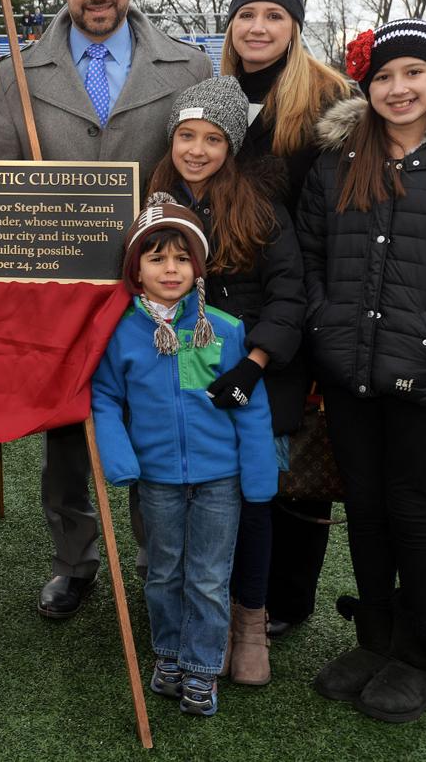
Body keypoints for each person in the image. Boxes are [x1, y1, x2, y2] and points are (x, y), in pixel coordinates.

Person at [0, 0, 212, 619]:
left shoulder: (188, 68)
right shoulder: (14, 72)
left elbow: (206, 179)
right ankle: (73, 558)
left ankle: (156, 560)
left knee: (159, 424)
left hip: (157, 290)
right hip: (62, 296)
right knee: (65, 436)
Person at [297, 18, 426, 722]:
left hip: (424, 375)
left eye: (412, 72)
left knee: (410, 507)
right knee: (366, 506)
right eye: (383, 76)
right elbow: (312, 257)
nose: (397, 87)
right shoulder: (338, 160)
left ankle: (418, 654)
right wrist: (325, 327)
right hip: (350, 368)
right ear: (367, 86)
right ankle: (374, 636)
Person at [146, 75, 305, 685]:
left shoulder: (259, 208)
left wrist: (254, 364)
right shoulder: (154, 200)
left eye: (213, 138)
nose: (197, 149)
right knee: (167, 498)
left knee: (252, 502)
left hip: (247, 378)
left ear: (231, 146)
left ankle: (248, 624)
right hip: (171, 382)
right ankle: (180, 616)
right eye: (186, 135)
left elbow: (289, 295)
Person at [92, 196, 276, 717]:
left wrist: (258, 474)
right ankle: (169, 654)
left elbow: (250, 402)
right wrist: (119, 455)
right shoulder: (121, 332)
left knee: (210, 577)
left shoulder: (222, 327)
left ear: (198, 264)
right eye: (155, 259)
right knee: (164, 571)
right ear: (136, 269)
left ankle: (201, 666)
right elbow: (105, 397)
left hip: (221, 478)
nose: (169, 269)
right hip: (156, 478)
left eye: (180, 257)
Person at [219, 0, 351, 640]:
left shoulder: (331, 99)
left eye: (274, 14)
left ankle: (290, 597)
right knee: (247, 456)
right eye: (247, 15)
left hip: (308, 295)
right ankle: (241, 587)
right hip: (234, 300)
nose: (259, 27)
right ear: (231, 25)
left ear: (296, 25)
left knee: (300, 450)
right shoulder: (215, 95)